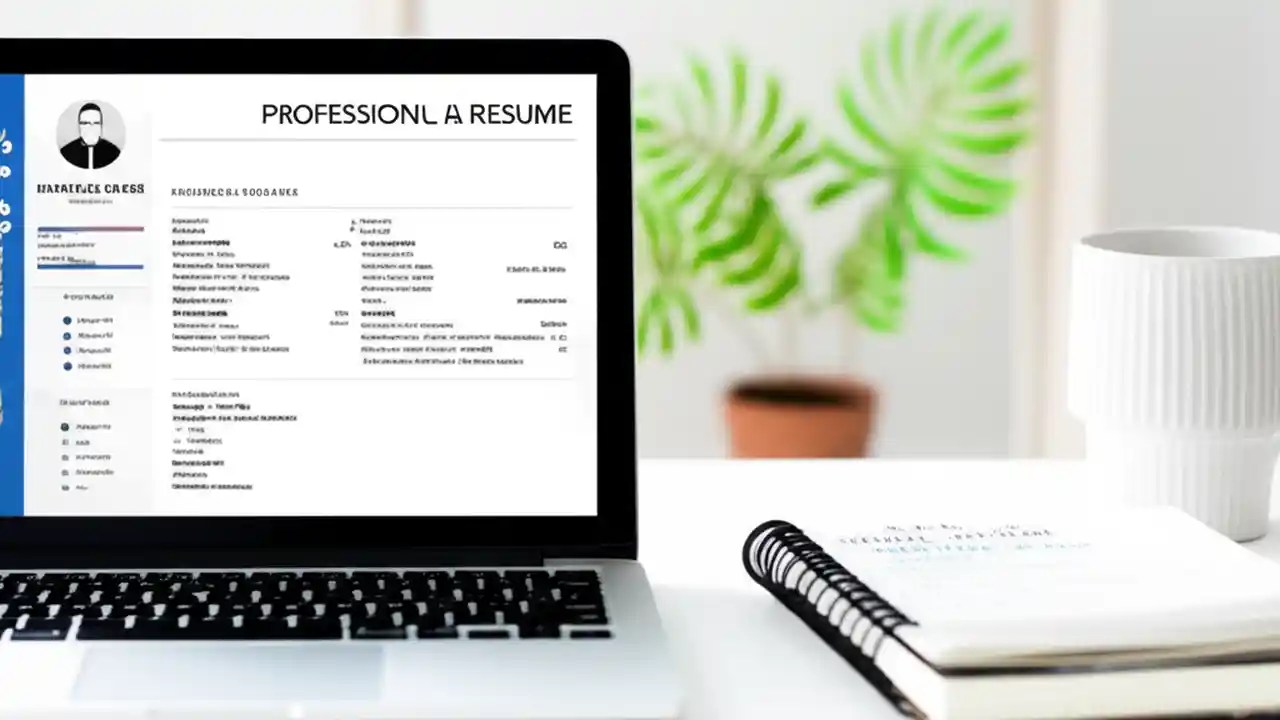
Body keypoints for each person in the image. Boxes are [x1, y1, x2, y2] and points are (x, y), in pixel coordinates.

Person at [60, 103, 121, 170]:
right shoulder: (67, 152)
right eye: (85, 123)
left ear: (101, 126)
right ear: (79, 126)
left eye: (96, 123)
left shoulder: (113, 152)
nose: (91, 128)